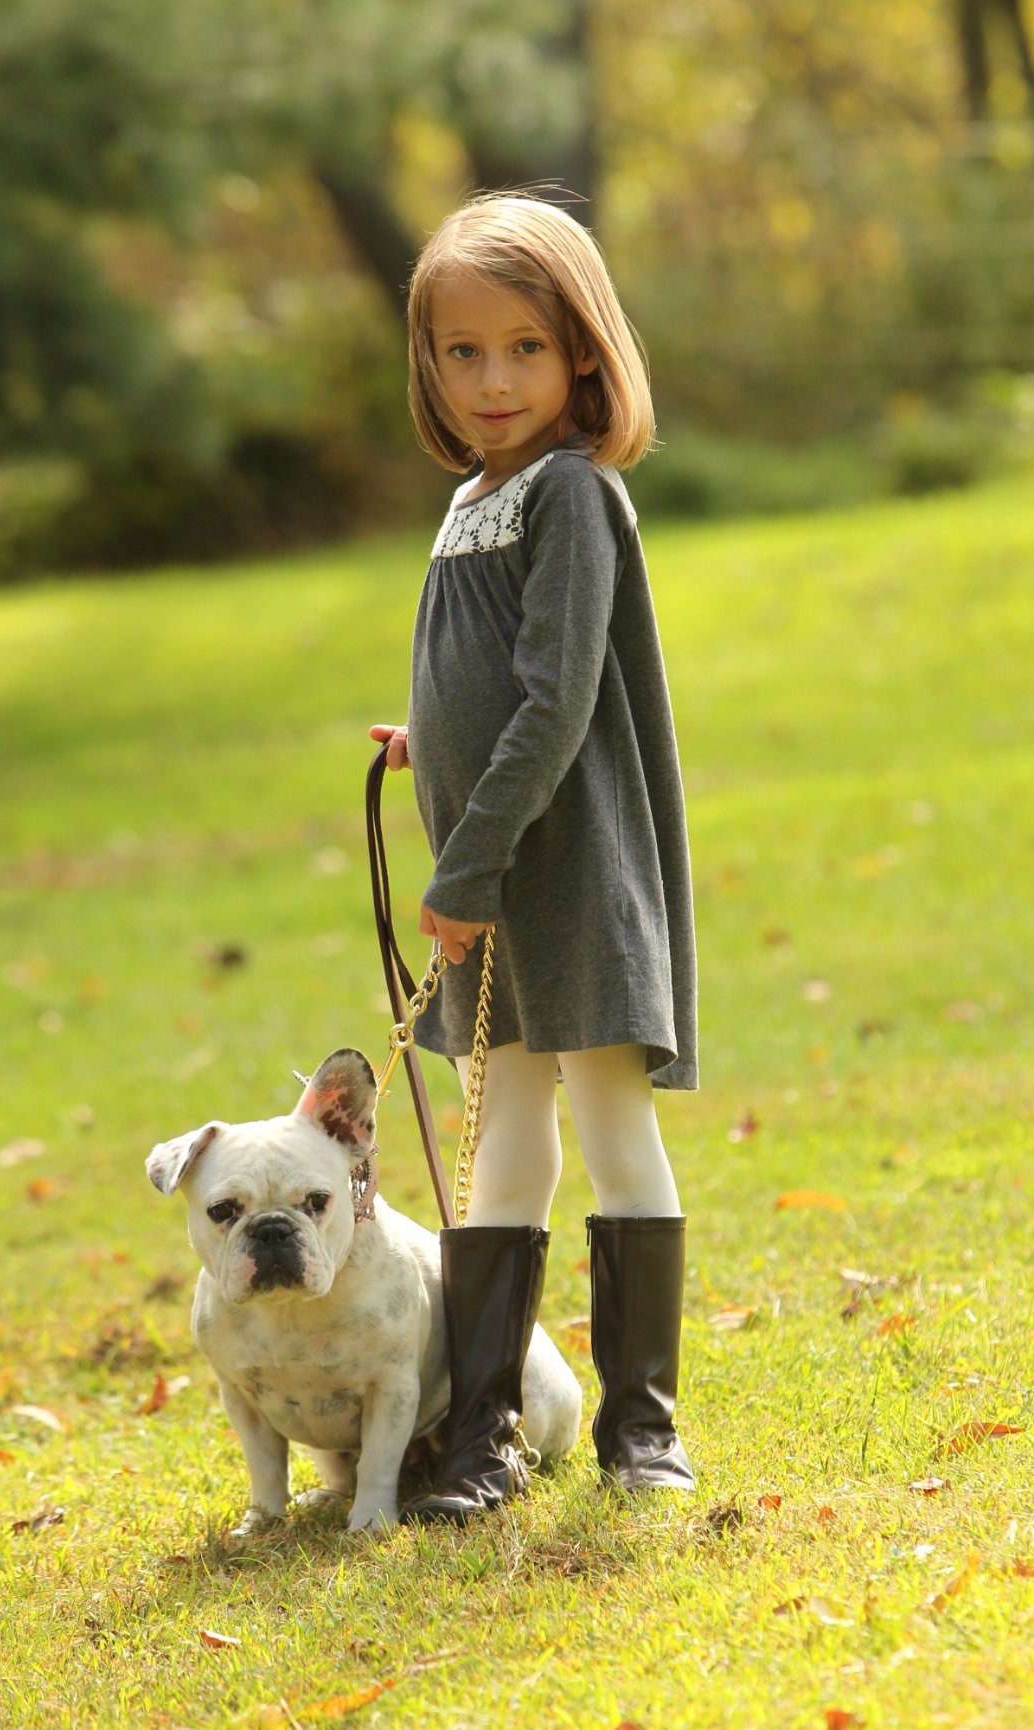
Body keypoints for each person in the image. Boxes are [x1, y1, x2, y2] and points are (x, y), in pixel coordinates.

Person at [370, 191, 698, 1526]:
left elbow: (556, 699)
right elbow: (487, 678)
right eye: (462, 351)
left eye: (524, 348)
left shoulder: (573, 491)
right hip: (488, 871)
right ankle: (484, 1435)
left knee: (610, 1124)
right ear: (428, 362)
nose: (492, 380)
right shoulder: (472, 499)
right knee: (501, 1144)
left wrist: (464, 863)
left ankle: (642, 1426)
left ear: (583, 356)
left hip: (554, 874)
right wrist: (425, 746)